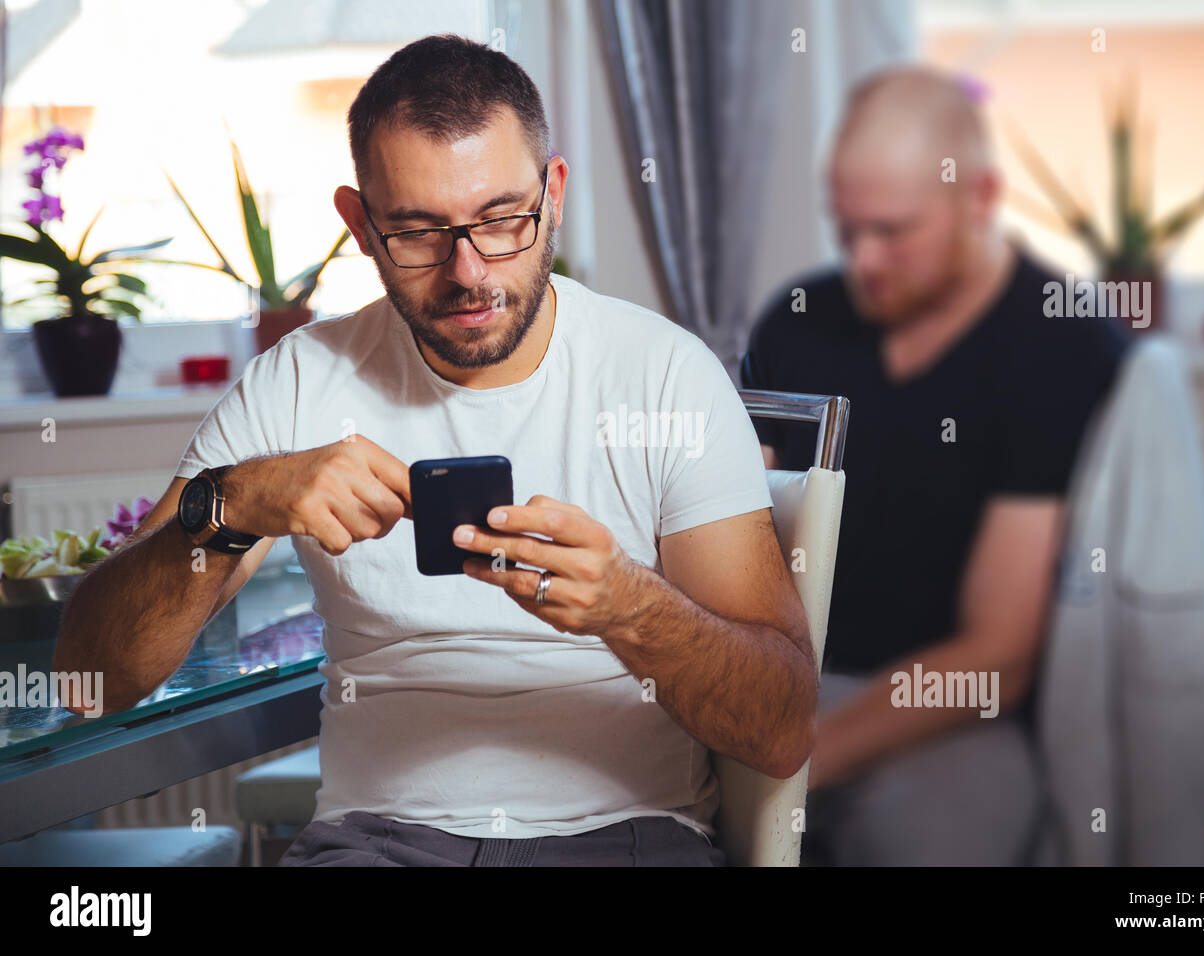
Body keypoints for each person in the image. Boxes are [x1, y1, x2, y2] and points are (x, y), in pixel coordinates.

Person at [53, 34, 817, 867]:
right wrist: (233, 505)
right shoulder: (298, 384)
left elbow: (781, 732)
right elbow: (88, 688)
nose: (468, 272)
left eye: (501, 221)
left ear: (553, 194)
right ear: (359, 226)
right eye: (418, 232)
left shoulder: (666, 376)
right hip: (377, 845)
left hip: (626, 840)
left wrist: (629, 607)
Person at [740, 66, 1132, 865]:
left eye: (892, 231)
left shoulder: (1058, 346)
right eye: (846, 231)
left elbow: (1000, 654)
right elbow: (741, 537)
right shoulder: (799, 319)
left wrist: (804, 756)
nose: (865, 260)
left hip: (960, 715)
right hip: (791, 677)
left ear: (981, 197)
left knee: (928, 838)